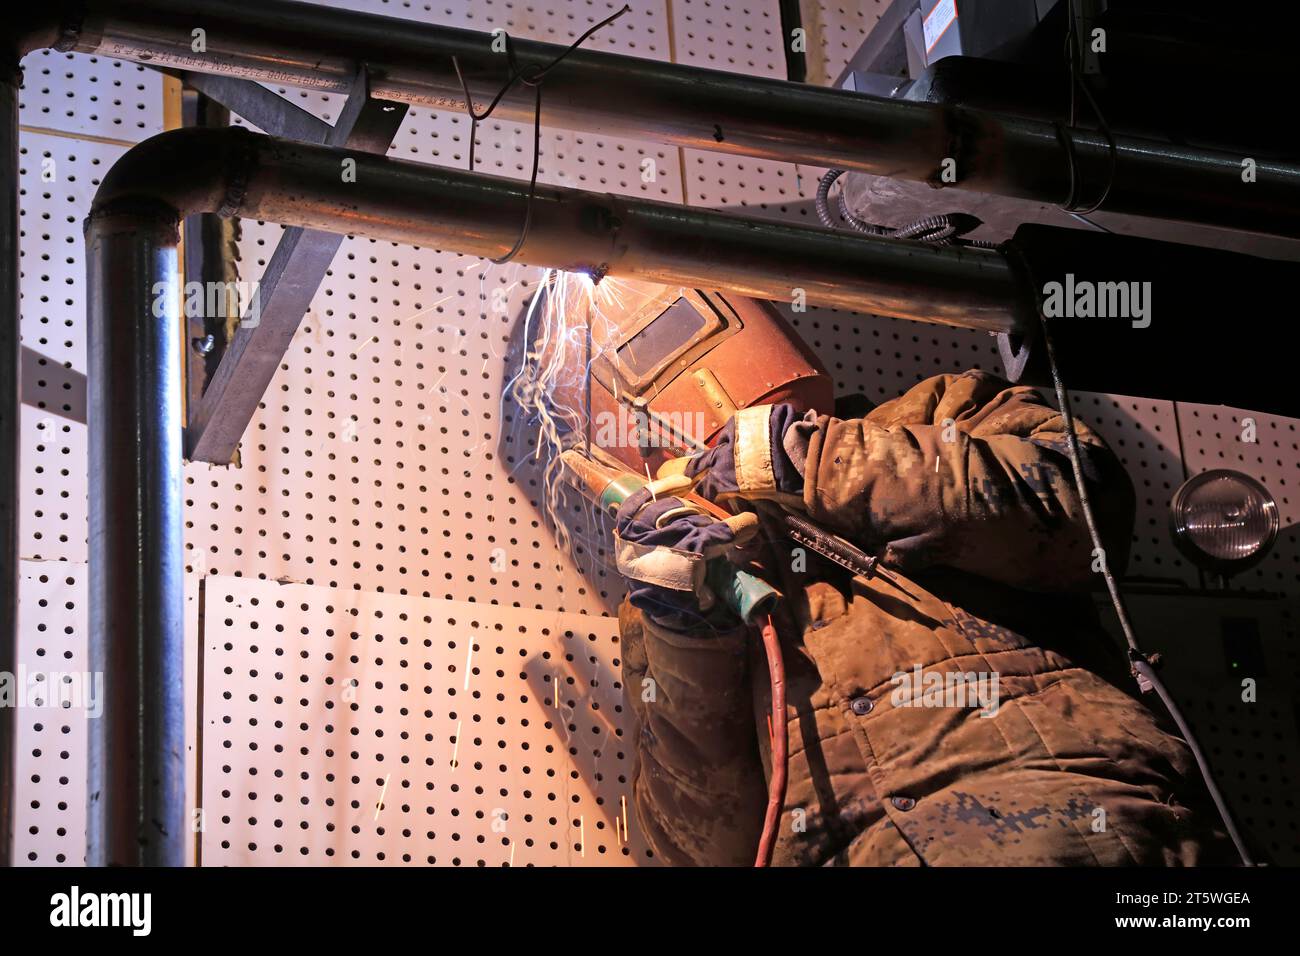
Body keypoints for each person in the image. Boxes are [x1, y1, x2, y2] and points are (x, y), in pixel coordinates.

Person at [613, 369, 1236, 866]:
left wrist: (812, 458)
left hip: (1072, 819)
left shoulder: (942, 406)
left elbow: (1080, 507)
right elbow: (707, 846)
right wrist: (685, 633)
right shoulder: (682, 579)